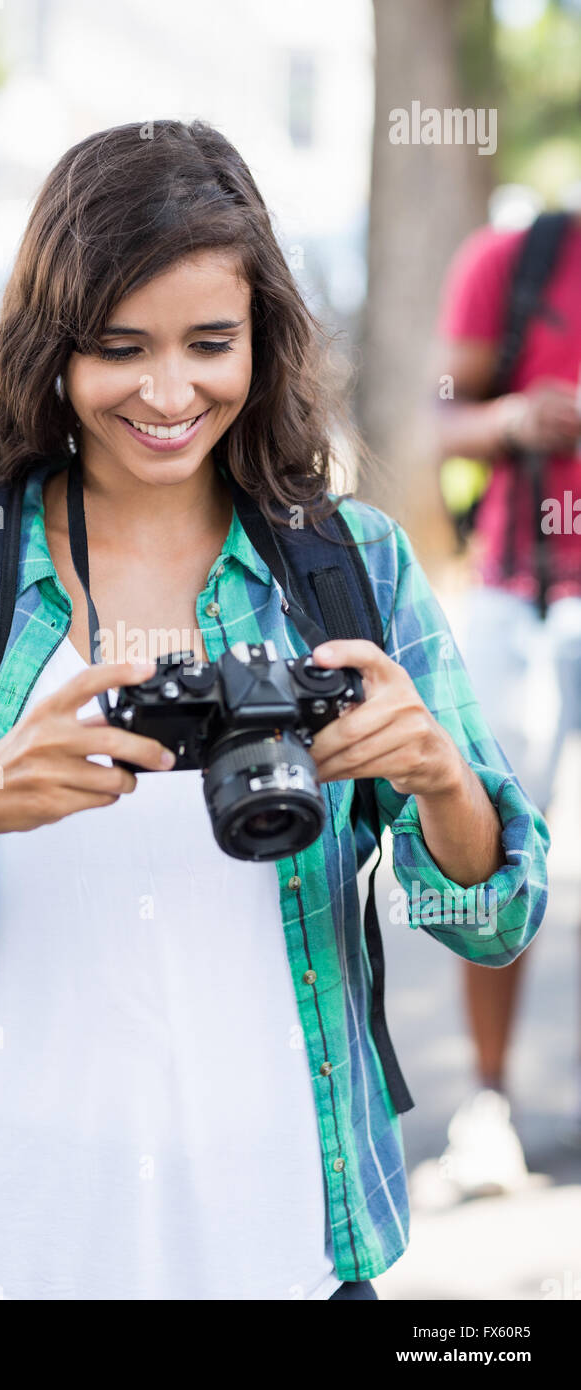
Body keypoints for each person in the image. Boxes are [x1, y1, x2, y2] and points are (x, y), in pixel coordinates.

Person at [0, 120, 549, 1301]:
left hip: (287, 1243)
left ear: (261, 341)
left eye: (209, 343)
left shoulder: (353, 572)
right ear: (51, 349)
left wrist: (440, 782)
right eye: (118, 348)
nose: (168, 391)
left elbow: (493, 918)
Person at [432, 210, 581, 1196]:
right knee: (493, 845)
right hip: (514, 594)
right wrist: (512, 419)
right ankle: (484, 1103)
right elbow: (438, 418)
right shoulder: (511, 258)